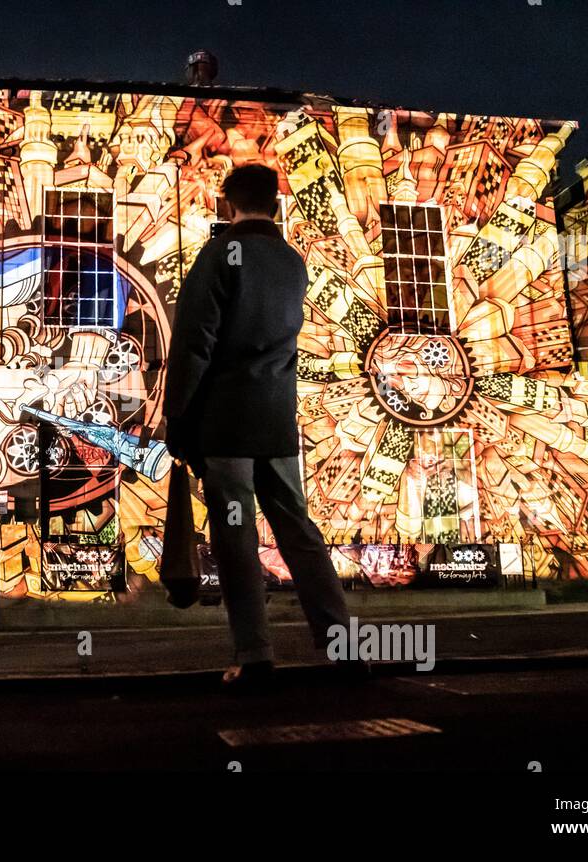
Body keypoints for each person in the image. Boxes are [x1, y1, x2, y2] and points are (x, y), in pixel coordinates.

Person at [162, 163, 356, 691]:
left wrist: (176, 418)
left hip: (225, 421)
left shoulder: (222, 255)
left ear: (226, 204)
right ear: (275, 203)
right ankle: (341, 644)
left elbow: (193, 345)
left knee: (235, 535)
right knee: (298, 529)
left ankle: (254, 654)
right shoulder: (292, 262)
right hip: (276, 419)